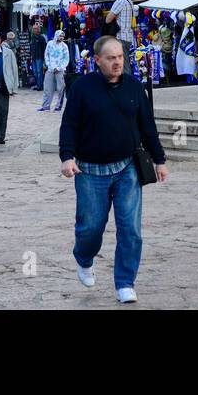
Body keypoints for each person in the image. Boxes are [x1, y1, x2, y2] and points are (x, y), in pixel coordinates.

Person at [59, 36, 168, 305]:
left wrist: (159, 159)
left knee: (130, 228)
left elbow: (147, 125)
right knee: (90, 229)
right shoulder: (82, 88)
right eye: (111, 58)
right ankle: (84, 259)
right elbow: (69, 124)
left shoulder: (134, 87)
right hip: (89, 171)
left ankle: (125, 282)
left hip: (127, 168)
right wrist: (67, 157)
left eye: (120, 56)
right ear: (97, 60)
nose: (117, 62)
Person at [105, 0, 137, 64]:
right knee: (125, 63)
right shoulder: (129, 0)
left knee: (123, 65)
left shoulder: (120, 1)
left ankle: (126, 77)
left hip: (121, 36)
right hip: (128, 36)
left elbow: (108, 19)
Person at [41, 29, 70, 111]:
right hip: (50, 69)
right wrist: (49, 66)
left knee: (60, 89)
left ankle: (58, 106)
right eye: (60, 36)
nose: (61, 37)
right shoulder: (50, 44)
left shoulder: (64, 46)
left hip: (60, 70)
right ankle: (46, 106)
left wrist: (59, 68)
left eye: (63, 36)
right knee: (47, 88)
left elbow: (66, 59)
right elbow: (46, 55)